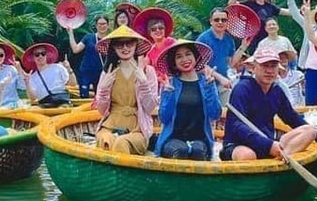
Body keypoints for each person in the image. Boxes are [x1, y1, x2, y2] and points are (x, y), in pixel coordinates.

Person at [221, 48, 317, 161]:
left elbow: (292, 117)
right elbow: (237, 126)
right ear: (253, 68)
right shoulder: (242, 89)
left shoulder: (277, 91)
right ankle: (279, 155)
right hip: (239, 144)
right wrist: (267, 145)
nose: (269, 71)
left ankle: (282, 156)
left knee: (310, 131)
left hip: (268, 142)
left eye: (273, 66)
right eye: (264, 66)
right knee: (247, 155)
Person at [92, 26, 159, 155]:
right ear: (113, 47)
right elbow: (101, 110)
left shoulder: (147, 71)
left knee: (121, 143)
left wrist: (143, 83)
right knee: (107, 140)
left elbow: (150, 107)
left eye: (129, 43)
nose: (125, 48)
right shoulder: (108, 72)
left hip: (138, 128)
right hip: (110, 125)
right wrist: (104, 89)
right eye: (119, 44)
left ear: (136, 45)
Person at [155, 40, 222, 160]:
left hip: (200, 139)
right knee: (180, 150)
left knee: (198, 151)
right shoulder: (170, 84)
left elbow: (215, 114)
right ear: (174, 63)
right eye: (179, 56)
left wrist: (209, 88)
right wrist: (169, 94)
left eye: (188, 54)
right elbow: (164, 118)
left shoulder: (206, 82)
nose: (185, 59)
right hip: (172, 139)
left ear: (195, 57)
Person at [227, 0, 292, 51]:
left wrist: (300, 11)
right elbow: (231, 4)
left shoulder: (270, 7)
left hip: (268, 40)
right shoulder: (248, 4)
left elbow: (287, 12)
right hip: (252, 40)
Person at [195, 7, 241, 105]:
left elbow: (231, 63)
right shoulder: (203, 39)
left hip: (224, 85)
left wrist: (244, 46)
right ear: (211, 21)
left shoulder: (229, 39)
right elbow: (198, 65)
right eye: (216, 20)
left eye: (223, 20)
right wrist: (220, 77)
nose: (220, 22)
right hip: (206, 85)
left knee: (227, 112)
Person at [67, 14, 110, 98]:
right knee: (84, 95)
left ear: (108, 25)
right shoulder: (88, 37)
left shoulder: (111, 39)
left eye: (104, 24)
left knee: (100, 97)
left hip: (101, 72)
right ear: (96, 25)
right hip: (86, 71)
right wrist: (70, 34)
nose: (102, 26)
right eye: (100, 24)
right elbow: (75, 49)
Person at [19, 42, 74, 107]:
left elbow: (73, 84)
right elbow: (33, 98)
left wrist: (69, 69)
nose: (40, 56)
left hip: (62, 101)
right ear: (33, 57)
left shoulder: (58, 67)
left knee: (62, 108)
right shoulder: (32, 77)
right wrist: (27, 82)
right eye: (37, 54)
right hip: (44, 104)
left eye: (43, 53)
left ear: (46, 55)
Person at [0, 41, 25, 108]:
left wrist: (19, 70)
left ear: (4, 57)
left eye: (1, 55)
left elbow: (22, 87)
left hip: (14, 106)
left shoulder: (11, 69)